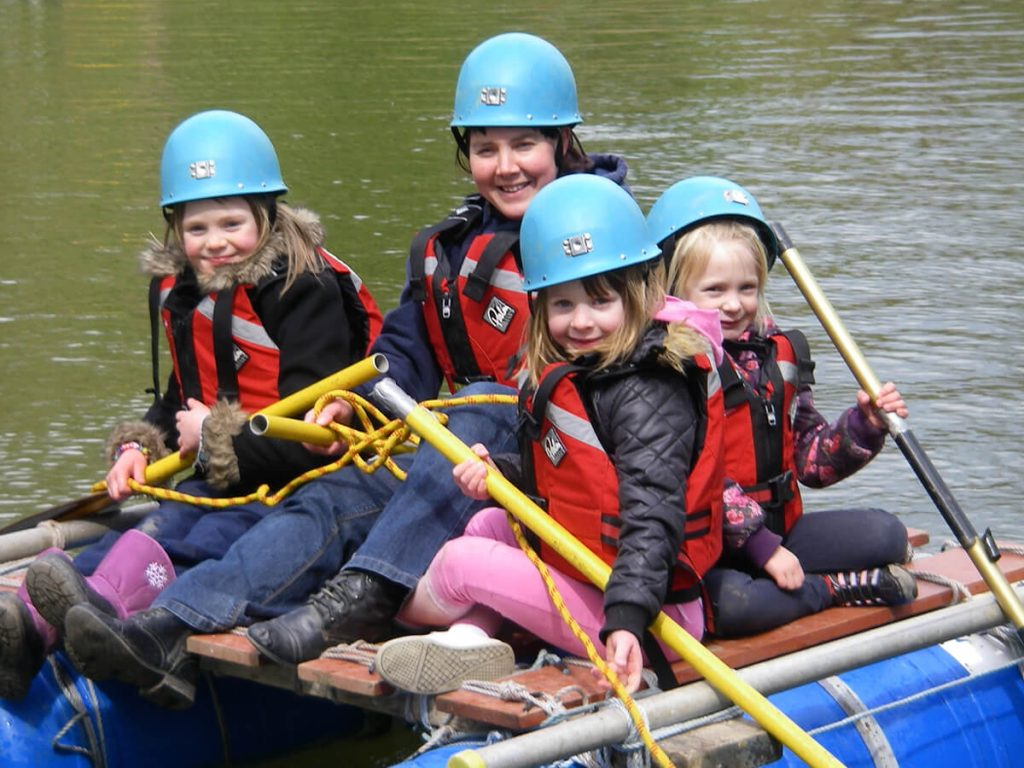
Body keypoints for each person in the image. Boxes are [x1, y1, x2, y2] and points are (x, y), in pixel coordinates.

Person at [62, 33, 631, 708]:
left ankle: (365, 591)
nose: (505, 166)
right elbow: (405, 354)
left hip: (555, 473)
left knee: (483, 399)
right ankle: (169, 625)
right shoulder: (447, 248)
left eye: (524, 145)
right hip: (455, 456)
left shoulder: (608, 240)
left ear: (564, 144)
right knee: (327, 498)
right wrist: (355, 400)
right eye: (485, 149)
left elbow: (637, 377)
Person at [0, 109, 381, 701]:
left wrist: (213, 438)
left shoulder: (303, 290)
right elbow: (181, 398)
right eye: (197, 228)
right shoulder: (185, 291)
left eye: (232, 223)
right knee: (155, 523)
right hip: (226, 469)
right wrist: (137, 446)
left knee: (194, 533)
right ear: (175, 227)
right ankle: (27, 625)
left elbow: (317, 438)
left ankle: (106, 616)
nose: (216, 243)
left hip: (299, 478)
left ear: (268, 215)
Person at [372, 174, 725, 696]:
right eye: (562, 305)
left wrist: (627, 619)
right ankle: (471, 639)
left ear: (638, 295)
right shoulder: (583, 372)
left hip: (652, 620)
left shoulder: (650, 391)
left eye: (600, 302)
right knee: (490, 521)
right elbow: (571, 483)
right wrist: (501, 474)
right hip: (591, 572)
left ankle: (383, 616)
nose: (580, 322)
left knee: (457, 563)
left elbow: (652, 516)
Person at [646, 175, 916, 638]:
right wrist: (764, 549)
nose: (734, 305)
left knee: (889, 534)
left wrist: (863, 427)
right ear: (673, 287)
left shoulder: (779, 354)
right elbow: (694, 475)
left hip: (780, 529)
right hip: (708, 550)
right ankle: (830, 589)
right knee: (731, 606)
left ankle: (809, 580)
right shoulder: (668, 367)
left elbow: (811, 461)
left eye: (747, 288)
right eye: (714, 291)